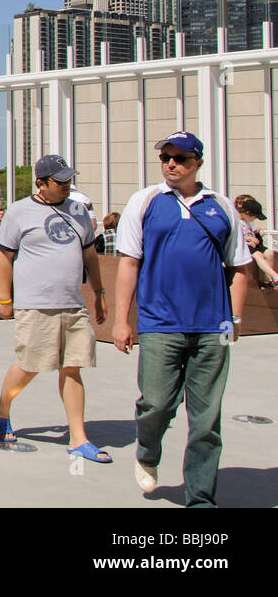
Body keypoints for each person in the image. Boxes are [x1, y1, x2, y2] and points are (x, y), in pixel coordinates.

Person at [113, 131, 250, 507]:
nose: (171, 163)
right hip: (159, 324)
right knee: (156, 404)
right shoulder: (145, 202)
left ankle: (201, 498)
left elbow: (239, 266)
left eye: (181, 158)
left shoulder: (219, 205)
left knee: (206, 421)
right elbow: (128, 263)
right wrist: (122, 320)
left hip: (212, 327)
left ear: (198, 163)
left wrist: (234, 319)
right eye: (166, 157)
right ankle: (147, 450)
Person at [0, 155, 110, 464]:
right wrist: (5, 299)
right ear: (41, 183)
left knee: (73, 366)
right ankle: (1, 406)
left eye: (69, 179)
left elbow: (90, 255)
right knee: (30, 364)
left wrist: (98, 292)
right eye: (60, 181)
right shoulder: (18, 212)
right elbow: (5, 257)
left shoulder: (78, 210)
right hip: (35, 303)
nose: (67, 186)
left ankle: (78, 438)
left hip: (72, 302)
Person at [234, 196, 277, 287]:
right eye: (254, 217)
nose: (255, 219)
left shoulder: (248, 220)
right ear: (248, 213)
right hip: (243, 245)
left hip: (253, 244)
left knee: (270, 253)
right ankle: (275, 276)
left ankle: (267, 280)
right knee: (258, 255)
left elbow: (254, 232)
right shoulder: (235, 219)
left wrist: (258, 234)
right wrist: (248, 238)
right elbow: (233, 235)